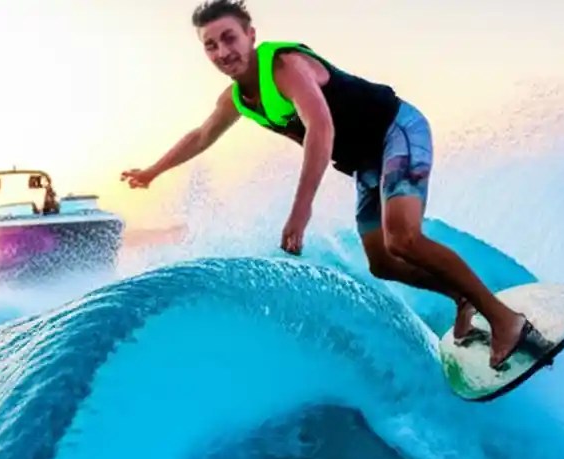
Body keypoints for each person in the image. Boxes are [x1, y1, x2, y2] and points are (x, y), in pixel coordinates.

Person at [121, 0, 533, 368]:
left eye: (229, 38)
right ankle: (463, 298)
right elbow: (201, 135)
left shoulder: (284, 65)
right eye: (210, 46)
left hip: (397, 131)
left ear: (250, 35)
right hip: (368, 163)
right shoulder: (236, 100)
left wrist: (301, 211)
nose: (222, 52)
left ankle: (504, 319)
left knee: (403, 238)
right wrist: (152, 172)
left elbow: (320, 127)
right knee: (383, 262)